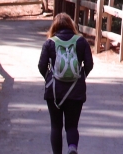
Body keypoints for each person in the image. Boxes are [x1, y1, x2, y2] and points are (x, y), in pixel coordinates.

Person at [38, 13, 93, 154]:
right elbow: (89, 64)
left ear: (54, 26)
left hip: (54, 91)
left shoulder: (50, 43)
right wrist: (81, 77)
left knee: (56, 126)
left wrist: (49, 79)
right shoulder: (81, 42)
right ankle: (72, 147)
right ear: (71, 25)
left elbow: (41, 65)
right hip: (76, 91)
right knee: (72, 126)